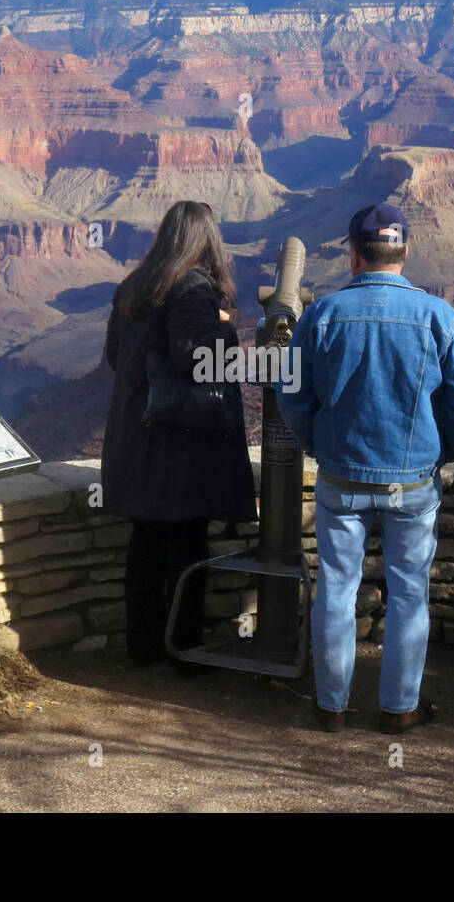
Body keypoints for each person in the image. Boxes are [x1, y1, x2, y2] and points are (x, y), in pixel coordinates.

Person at [279, 203, 454, 734]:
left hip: (341, 479)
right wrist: (442, 453)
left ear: (353, 255)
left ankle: (331, 707)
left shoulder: (321, 315)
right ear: (405, 252)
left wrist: (320, 448)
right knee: (411, 593)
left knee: (338, 589)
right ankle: (399, 710)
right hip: (412, 481)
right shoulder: (438, 315)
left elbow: (293, 397)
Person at [101, 200, 258, 671]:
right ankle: (184, 651)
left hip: (137, 435)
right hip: (178, 444)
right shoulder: (192, 287)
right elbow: (197, 359)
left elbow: (114, 356)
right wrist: (226, 332)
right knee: (188, 541)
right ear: (207, 240)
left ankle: (143, 647)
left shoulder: (134, 286)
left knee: (146, 540)